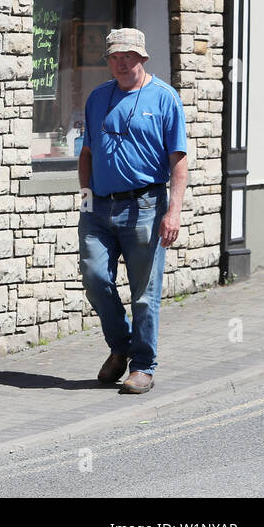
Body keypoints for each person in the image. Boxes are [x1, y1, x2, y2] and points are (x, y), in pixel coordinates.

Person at [78, 27, 188, 394]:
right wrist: (85, 198)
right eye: (114, 57)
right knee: (95, 279)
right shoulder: (97, 98)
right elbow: (87, 153)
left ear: (142, 57)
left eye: (128, 56)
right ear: (108, 61)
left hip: (145, 207)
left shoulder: (164, 98)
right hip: (98, 209)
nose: (121, 62)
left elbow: (178, 162)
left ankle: (143, 366)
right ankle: (121, 346)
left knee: (144, 292)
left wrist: (173, 213)